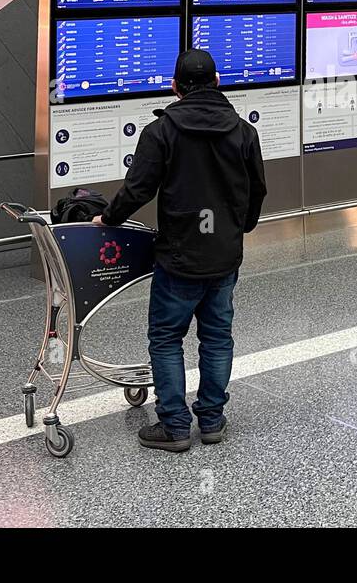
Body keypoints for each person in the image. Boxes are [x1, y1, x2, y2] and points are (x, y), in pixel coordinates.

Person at [95, 49, 267, 452]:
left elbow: (138, 189)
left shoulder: (162, 132)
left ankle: (174, 425)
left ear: (175, 88)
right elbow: (257, 191)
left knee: (167, 337)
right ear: (218, 82)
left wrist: (109, 219)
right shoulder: (243, 132)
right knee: (217, 337)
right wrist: (238, 229)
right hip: (223, 256)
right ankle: (211, 419)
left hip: (178, 257)